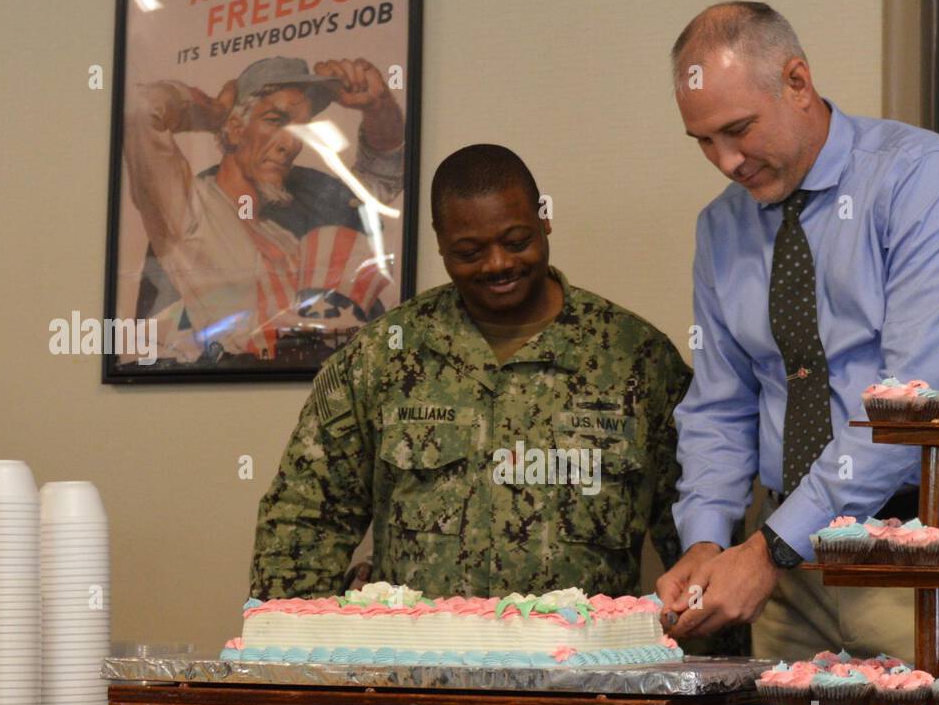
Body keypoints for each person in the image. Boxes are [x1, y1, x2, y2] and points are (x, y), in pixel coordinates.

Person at [656, 2, 939, 662]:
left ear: (797, 82)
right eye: (705, 142)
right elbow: (720, 406)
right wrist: (707, 541)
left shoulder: (922, 180)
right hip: (788, 582)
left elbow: (911, 401)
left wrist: (770, 548)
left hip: (929, 548)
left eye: (738, 130)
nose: (726, 161)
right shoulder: (721, 229)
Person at [248, 144, 691, 601]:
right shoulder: (382, 356)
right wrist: (294, 660)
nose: (498, 264)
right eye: (469, 251)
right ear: (440, 243)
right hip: (416, 665)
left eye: (517, 241)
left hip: (585, 666)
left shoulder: (635, 357)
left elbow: (697, 541)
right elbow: (303, 523)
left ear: (545, 220)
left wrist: (710, 665)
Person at [122, 55, 405, 368]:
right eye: (275, 120)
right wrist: (211, 112)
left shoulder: (286, 228)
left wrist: (378, 106)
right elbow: (140, 109)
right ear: (234, 128)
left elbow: (379, 183)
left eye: (300, 129)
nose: (290, 144)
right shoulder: (189, 209)